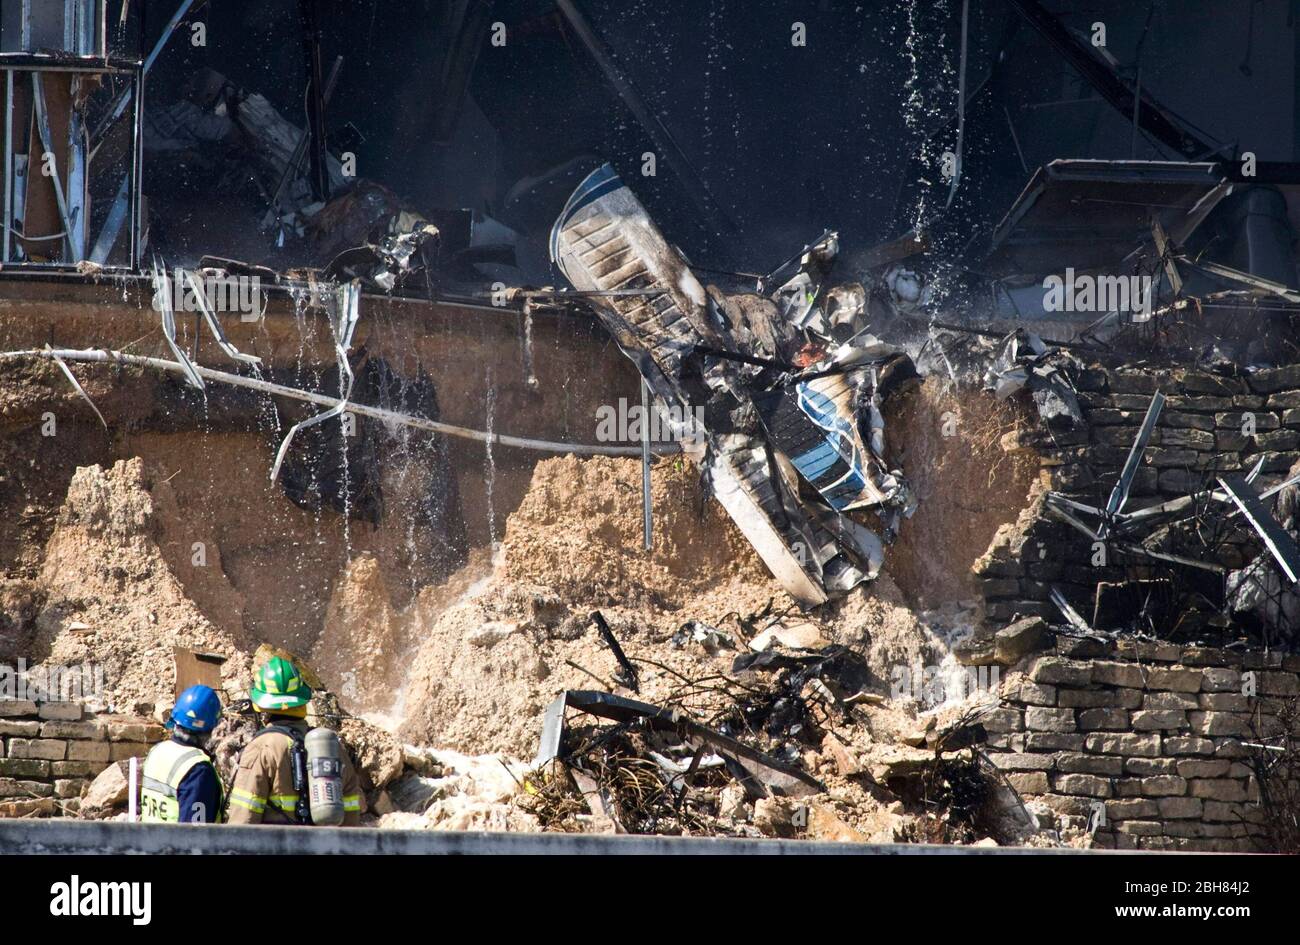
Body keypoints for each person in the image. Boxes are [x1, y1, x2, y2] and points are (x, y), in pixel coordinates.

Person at [227, 656, 365, 825]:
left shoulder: (262, 748)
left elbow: (243, 818)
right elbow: (351, 812)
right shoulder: (331, 747)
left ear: (262, 707)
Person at [140, 684, 224, 824]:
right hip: (177, 845)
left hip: (150, 842)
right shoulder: (198, 770)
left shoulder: (157, 751)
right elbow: (195, 833)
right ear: (211, 727)